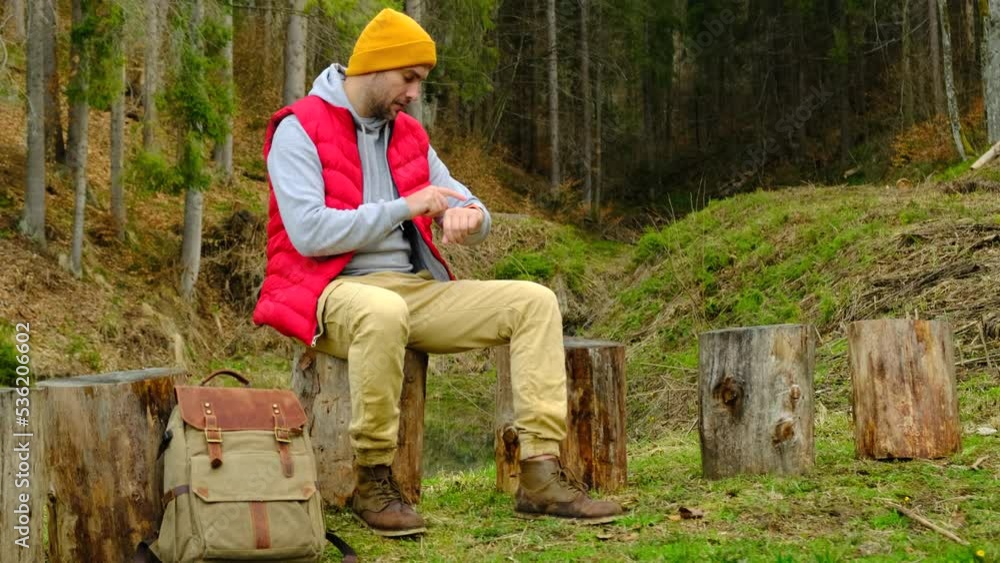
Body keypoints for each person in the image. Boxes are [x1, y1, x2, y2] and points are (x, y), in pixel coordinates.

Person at [254, 8, 623, 537]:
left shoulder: (408, 134)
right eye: (410, 78)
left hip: (413, 291)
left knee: (533, 300)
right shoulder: (298, 128)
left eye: (420, 82)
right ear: (377, 67)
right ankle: (373, 479)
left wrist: (471, 215)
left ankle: (540, 474)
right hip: (330, 292)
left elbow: (456, 194)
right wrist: (408, 205)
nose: (414, 93)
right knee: (381, 312)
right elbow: (309, 232)